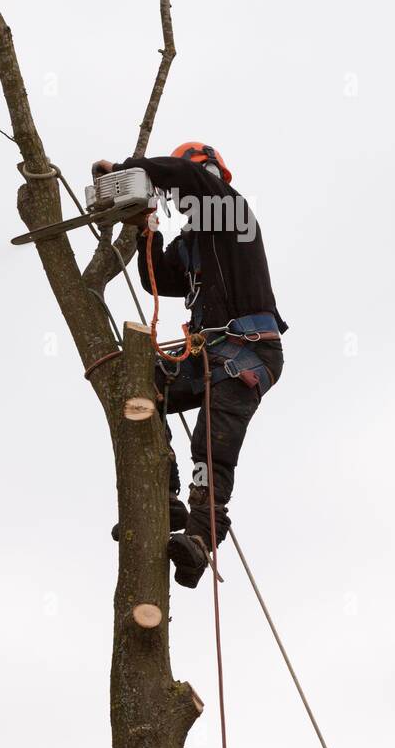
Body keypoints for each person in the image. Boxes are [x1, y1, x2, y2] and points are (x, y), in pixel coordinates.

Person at [96, 143, 286, 589]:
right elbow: (158, 280)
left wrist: (128, 171)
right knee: (142, 387)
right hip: (207, 353)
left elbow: (192, 181)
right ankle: (163, 499)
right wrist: (146, 230)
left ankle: (201, 536)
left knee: (209, 443)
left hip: (248, 353)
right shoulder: (194, 244)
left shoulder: (233, 216)